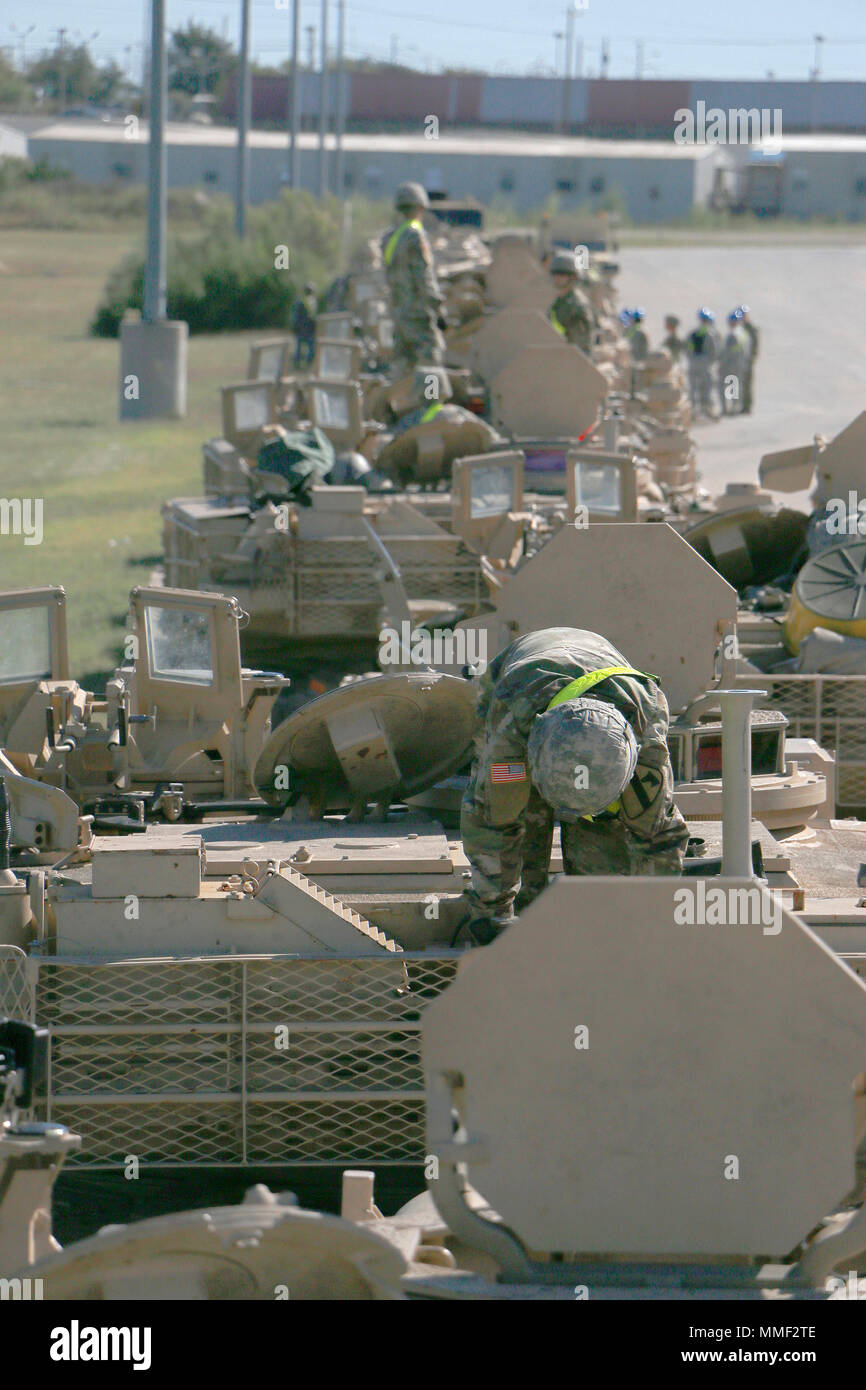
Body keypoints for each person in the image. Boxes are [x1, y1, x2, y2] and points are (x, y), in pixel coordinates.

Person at [458, 627, 690, 943]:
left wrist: (652, 926)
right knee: (519, 821)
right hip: (520, 681)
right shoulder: (509, 729)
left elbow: (658, 838)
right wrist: (493, 914)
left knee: (604, 883)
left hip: (603, 679)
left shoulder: (646, 727)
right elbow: (492, 827)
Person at [381, 182, 445, 377]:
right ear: (420, 207)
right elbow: (424, 277)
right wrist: (438, 309)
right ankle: (431, 403)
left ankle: (402, 405)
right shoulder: (415, 236)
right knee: (431, 363)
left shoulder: (389, 237)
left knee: (403, 367)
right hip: (418, 315)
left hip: (398, 314)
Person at [547, 250, 594, 355]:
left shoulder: (577, 305)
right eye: (555, 274)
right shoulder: (560, 302)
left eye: (562, 274)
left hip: (572, 360)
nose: (556, 278)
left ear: (573, 277)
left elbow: (579, 345)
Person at [686, 307, 720, 418]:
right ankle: (708, 410)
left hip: (693, 365)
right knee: (707, 388)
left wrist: (692, 360)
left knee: (693, 388)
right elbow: (714, 351)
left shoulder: (692, 334)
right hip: (705, 366)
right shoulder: (710, 334)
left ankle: (693, 411)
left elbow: (688, 349)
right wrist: (710, 362)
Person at [719, 309, 751, 415]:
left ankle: (730, 408)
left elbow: (728, 352)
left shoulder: (732, 335)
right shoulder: (744, 334)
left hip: (731, 364)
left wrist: (722, 362)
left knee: (730, 385)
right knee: (737, 385)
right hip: (741, 363)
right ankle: (736, 406)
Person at [290, 283, 318, 367]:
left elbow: (295, 316)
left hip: (303, 327)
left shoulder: (301, 301)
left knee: (300, 347)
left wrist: (295, 326)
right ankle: (307, 363)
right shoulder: (313, 301)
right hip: (309, 327)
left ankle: (298, 363)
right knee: (309, 347)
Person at [738, 304, 759, 414]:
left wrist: (752, 358)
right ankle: (742, 406)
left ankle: (747, 406)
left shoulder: (751, 329)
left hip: (747, 360)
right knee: (741, 383)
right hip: (740, 361)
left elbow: (755, 345)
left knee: (747, 384)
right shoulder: (740, 329)